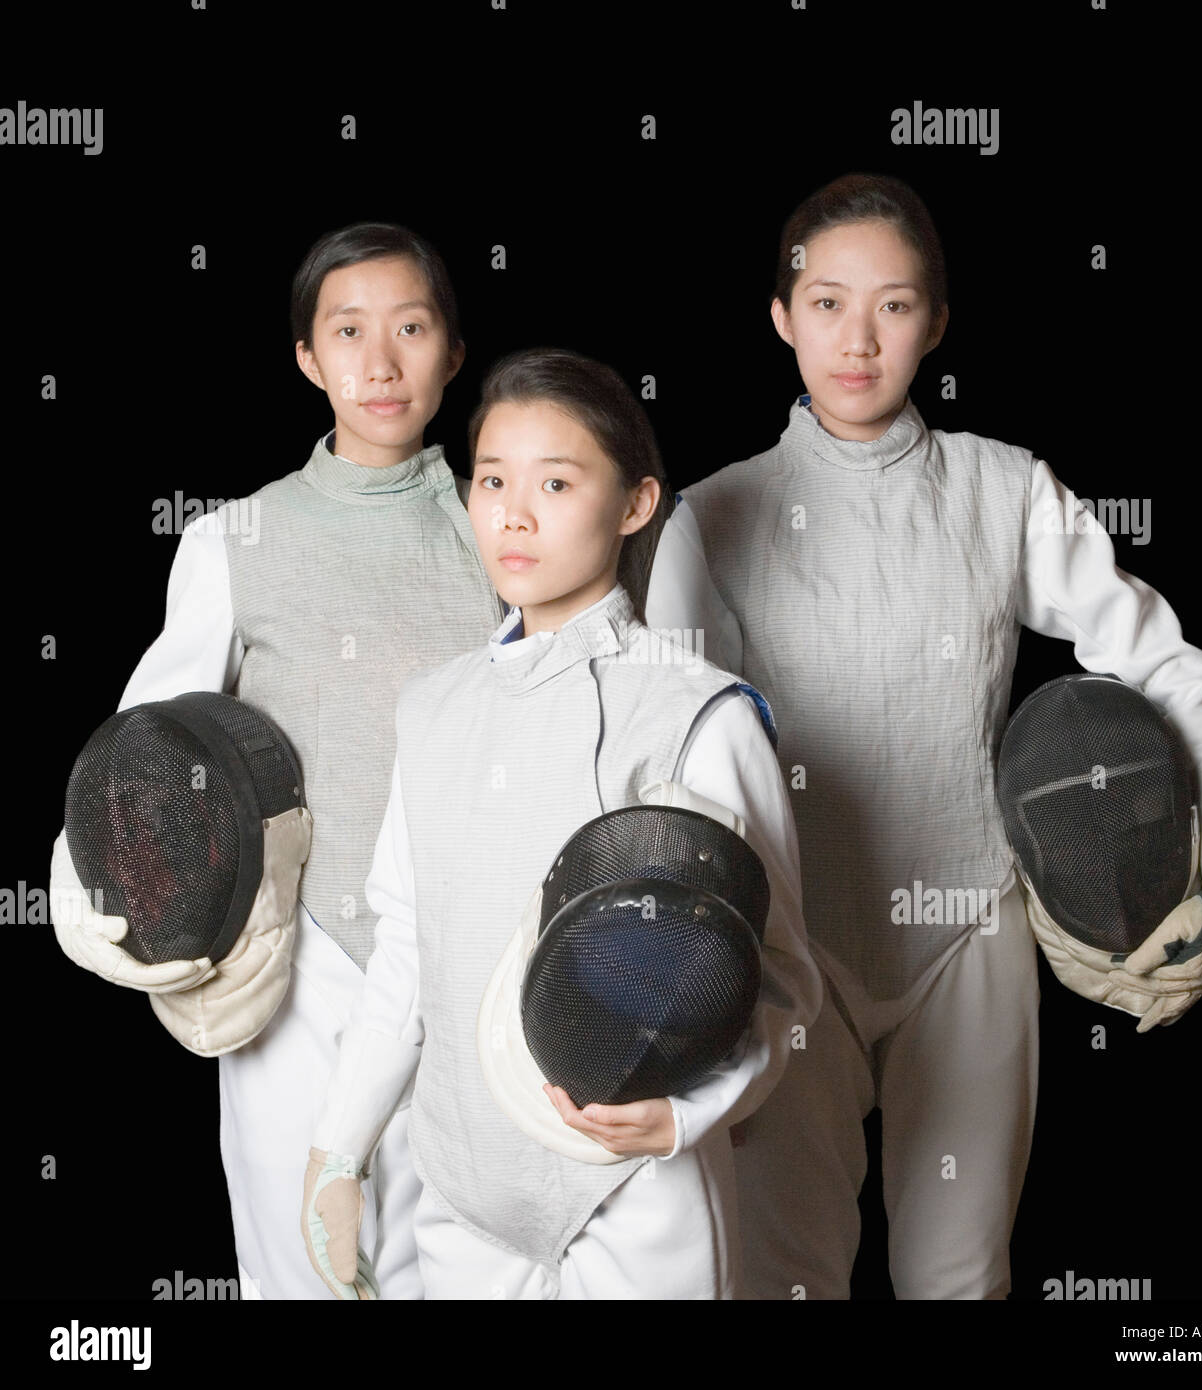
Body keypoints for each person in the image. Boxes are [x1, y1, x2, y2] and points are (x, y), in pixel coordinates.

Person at [644, 173, 1202, 1300]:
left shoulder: (1002, 487)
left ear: (935, 320)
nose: (858, 339)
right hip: (789, 946)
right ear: (780, 318)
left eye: (893, 304)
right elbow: (663, 749)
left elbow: (1162, 659)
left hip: (967, 930)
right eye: (827, 304)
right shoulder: (709, 513)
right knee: (781, 1279)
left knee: (962, 1279)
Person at [301, 347, 821, 1300]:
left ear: (635, 504)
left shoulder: (702, 712)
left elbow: (785, 979)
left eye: (556, 481)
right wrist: (338, 1149)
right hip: (461, 1199)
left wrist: (685, 1117)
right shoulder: (434, 709)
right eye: (492, 478)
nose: (515, 512)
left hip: (637, 1199)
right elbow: (410, 956)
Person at [51, 222, 503, 1298]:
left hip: (470, 958)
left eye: (409, 327)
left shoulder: (502, 525)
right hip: (299, 971)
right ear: (308, 357)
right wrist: (93, 893)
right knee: (300, 1271)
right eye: (348, 331)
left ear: (451, 348)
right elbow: (143, 752)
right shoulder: (234, 539)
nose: (380, 363)